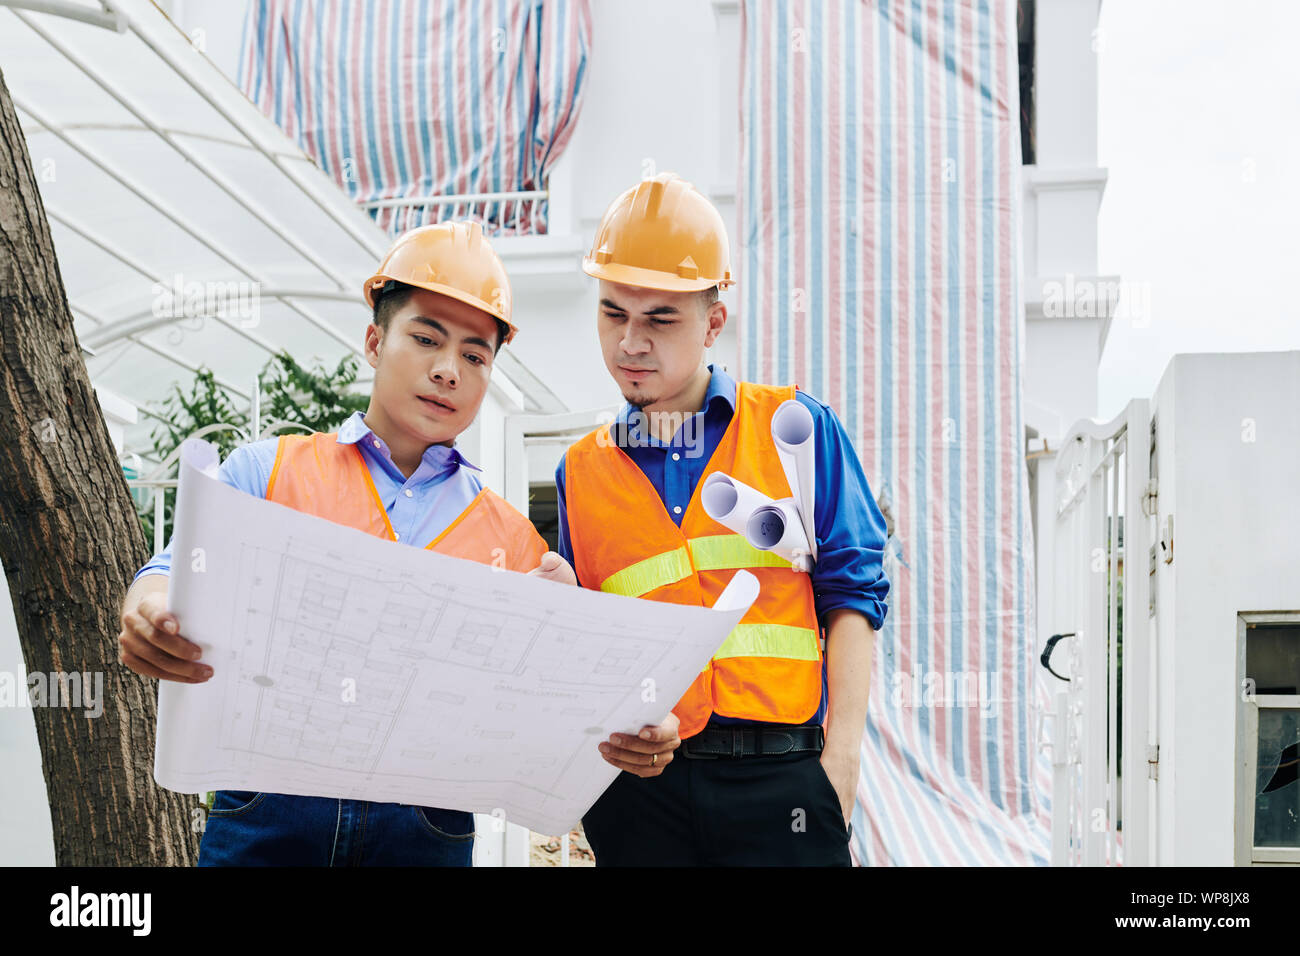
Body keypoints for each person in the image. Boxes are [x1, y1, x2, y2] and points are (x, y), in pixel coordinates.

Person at [117, 220, 577, 866]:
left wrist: (566, 624)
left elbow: (554, 696)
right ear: (374, 340)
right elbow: (167, 572)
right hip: (268, 806)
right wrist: (149, 605)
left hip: (425, 826)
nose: (448, 371)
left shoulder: (513, 540)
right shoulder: (267, 471)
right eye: (425, 339)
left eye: (475, 356)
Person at [557, 173, 891, 865]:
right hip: (639, 797)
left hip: (784, 783)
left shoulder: (794, 428)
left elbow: (854, 592)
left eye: (660, 319)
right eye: (613, 312)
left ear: (714, 321)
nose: (630, 342)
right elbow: (594, 646)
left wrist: (843, 766)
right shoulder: (582, 471)